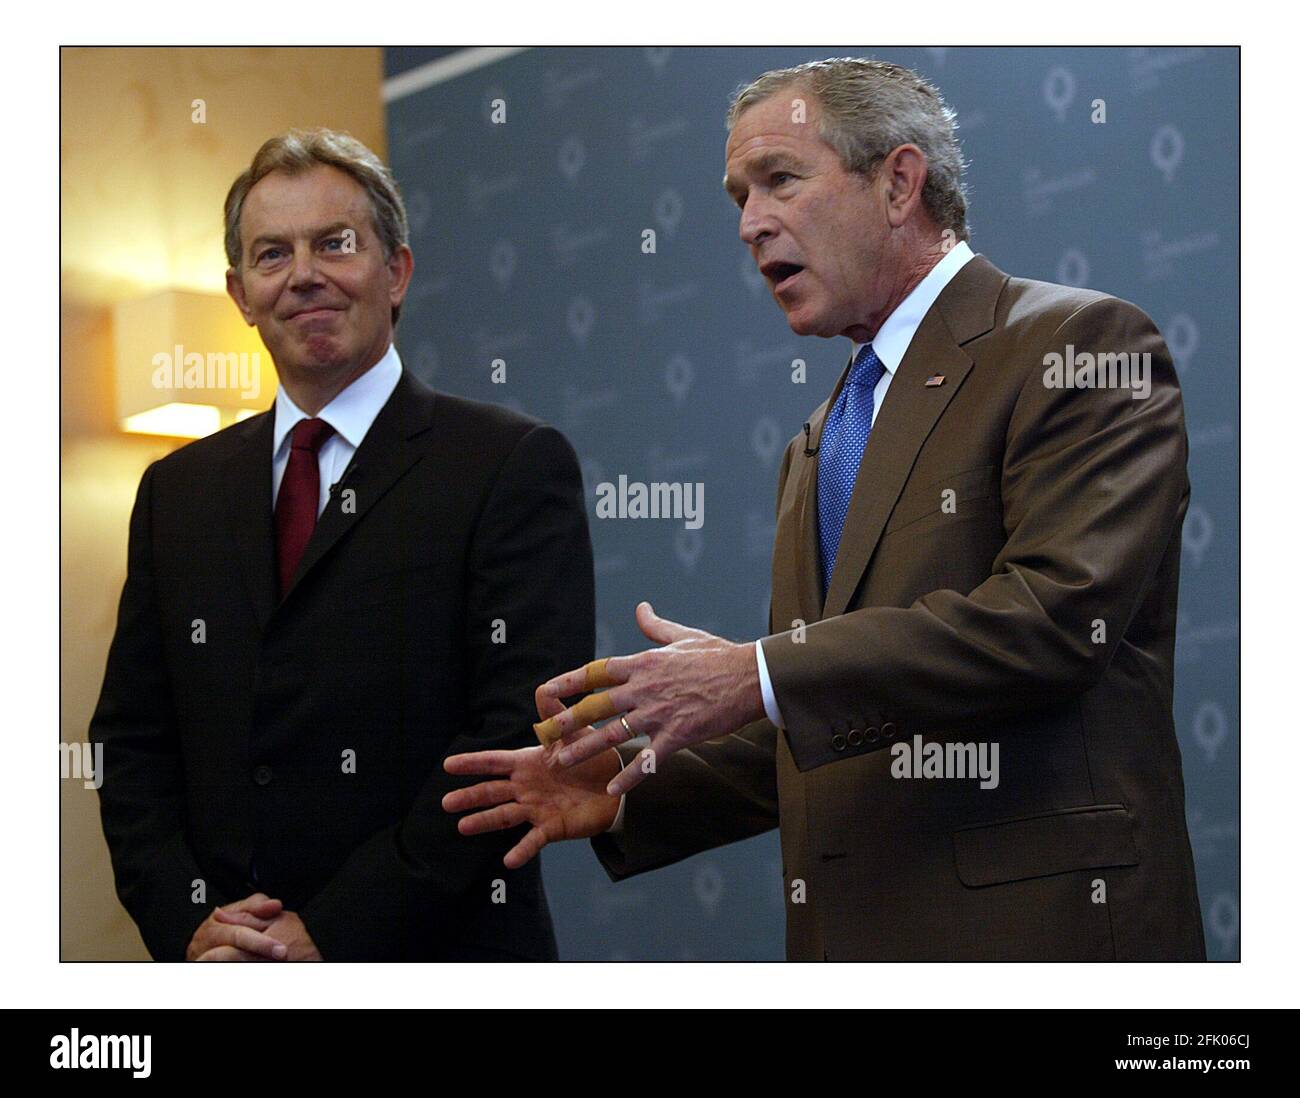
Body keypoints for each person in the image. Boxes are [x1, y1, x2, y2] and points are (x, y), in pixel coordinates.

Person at [444, 59, 1205, 961]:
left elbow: (1050, 624)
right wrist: (636, 785)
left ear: (898, 182)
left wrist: (756, 672)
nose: (749, 222)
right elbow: (846, 715)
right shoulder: (816, 441)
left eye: (779, 180)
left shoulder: (1078, 345)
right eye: (738, 196)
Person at [92, 128, 594, 961]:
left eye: (336, 243)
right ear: (241, 293)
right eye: (271, 254)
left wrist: (329, 934)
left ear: (395, 271)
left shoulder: (508, 463)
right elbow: (132, 742)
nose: (304, 276)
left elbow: (513, 734)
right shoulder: (175, 492)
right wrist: (190, 922)